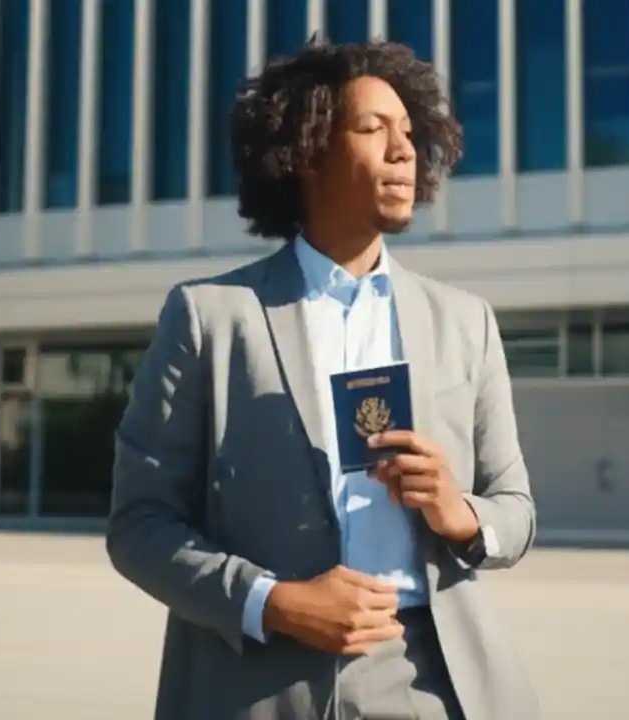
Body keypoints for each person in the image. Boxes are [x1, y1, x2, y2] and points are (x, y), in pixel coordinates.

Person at [108, 39, 538, 720]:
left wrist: (461, 514)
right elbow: (139, 525)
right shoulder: (210, 319)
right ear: (306, 150)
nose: (404, 151)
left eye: (409, 133)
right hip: (259, 680)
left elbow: (515, 508)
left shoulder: (465, 322)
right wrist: (272, 601)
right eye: (373, 129)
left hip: (432, 677)